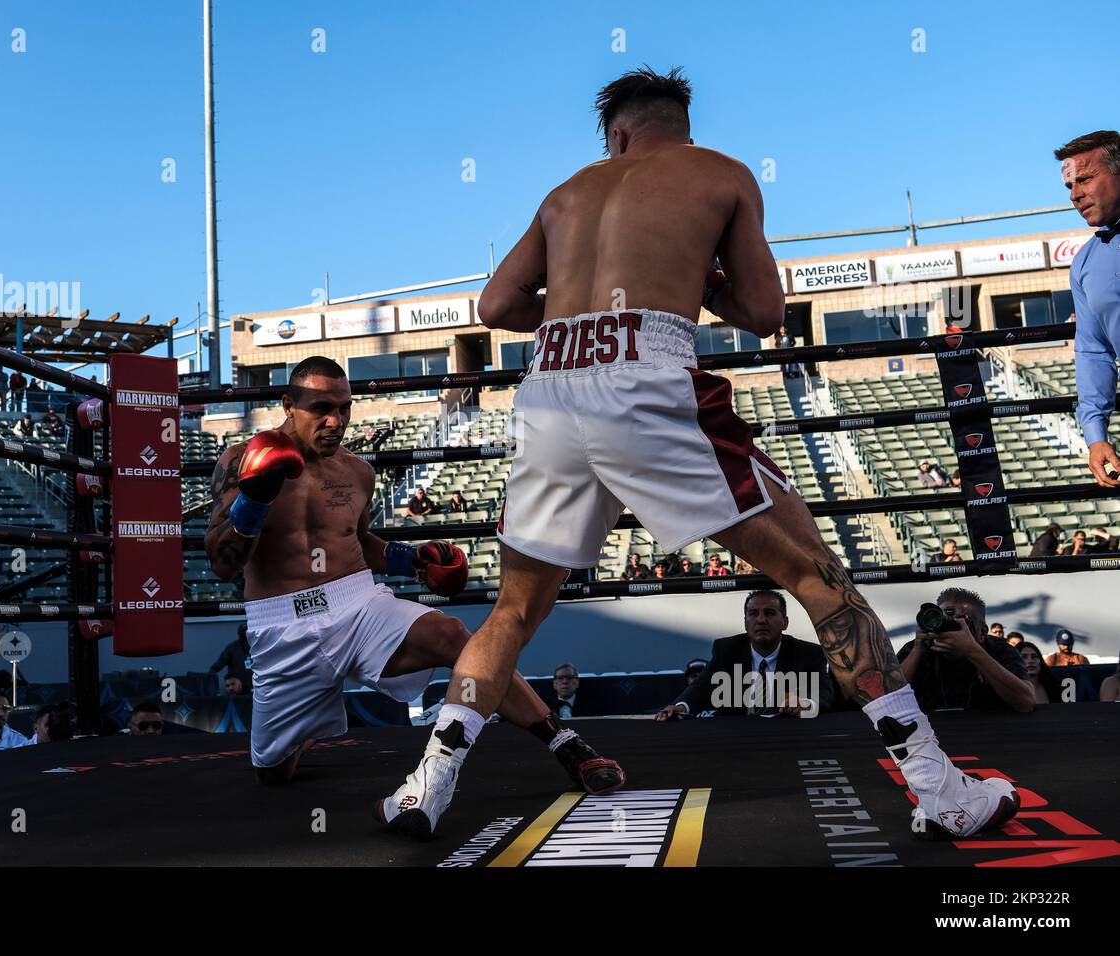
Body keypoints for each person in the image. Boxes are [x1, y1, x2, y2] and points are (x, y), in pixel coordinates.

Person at [379, 67, 1020, 840]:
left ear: (614, 134)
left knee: (514, 610)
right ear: (681, 124)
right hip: (647, 379)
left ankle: (425, 787)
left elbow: (495, 306)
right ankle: (939, 788)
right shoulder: (720, 173)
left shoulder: (566, 192)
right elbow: (764, 312)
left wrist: (583, 304)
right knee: (815, 577)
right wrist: (697, 277)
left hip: (549, 386)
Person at [203, 356, 622, 814]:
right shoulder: (241, 460)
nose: (335, 421)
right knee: (273, 773)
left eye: (344, 408)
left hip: (356, 602)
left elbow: (357, 540)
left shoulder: (357, 472)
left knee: (452, 636)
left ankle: (564, 741)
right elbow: (223, 563)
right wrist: (254, 498)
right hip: (283, 622)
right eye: (321, 408)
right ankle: (301, 732)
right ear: (287, 404)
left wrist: (414, 560)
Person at [1055, 131, 1120, 488]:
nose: (1074, 195)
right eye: (1069, 186)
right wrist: (1095, 434)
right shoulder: (1083, 264)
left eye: (1085, 179)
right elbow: (1094, 351)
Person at [654, 591, 832, 719]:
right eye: (753, 613)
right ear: (746, 623)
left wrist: (807, 703)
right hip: (735, 737)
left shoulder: (809, 653)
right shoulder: (726, 650)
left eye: (769, 613)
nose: (761, 620)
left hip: (789, 736)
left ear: (784, 622)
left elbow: (824, 693)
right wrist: (681, 706)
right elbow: (701, 687)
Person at [896, 587, 1035, 713]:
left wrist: (974, 652)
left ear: (982, 632)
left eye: (960, 623)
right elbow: (886, 701)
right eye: (943, 621)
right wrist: (917, 651)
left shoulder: (999, 650)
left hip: (990, 732)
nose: (948, 630)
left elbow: (1026, 702)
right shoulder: (918, 648)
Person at [209, 623, 253, 694]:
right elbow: (219, 663)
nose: (245, 635)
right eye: (243, 632)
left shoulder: (256, 647)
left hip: (255, 687)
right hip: (237, 688)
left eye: (247, 632)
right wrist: (212, 672)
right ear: (239, 634)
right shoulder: (232, 648)